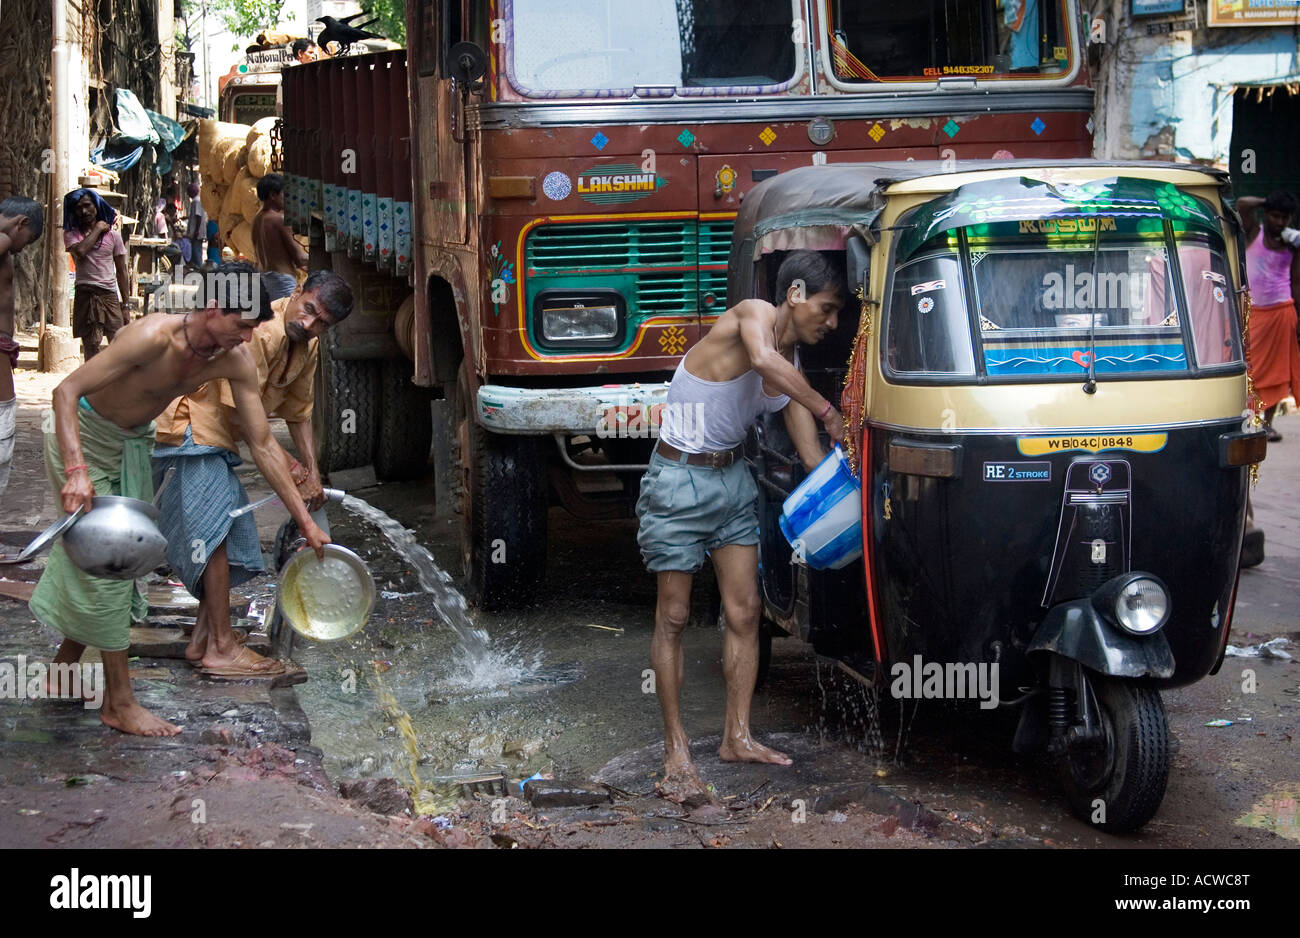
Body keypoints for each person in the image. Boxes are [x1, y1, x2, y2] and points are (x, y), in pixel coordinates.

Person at [28, 261, 330, 735]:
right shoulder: (151, 336)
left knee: (114, 565)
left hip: (132, 444)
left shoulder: (234, 359)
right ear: (213, 308)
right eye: (243, 325)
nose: (248, 338)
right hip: (83, 440)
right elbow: (66, 391)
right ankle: (120, 704)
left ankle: (61, 674)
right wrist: (76, 471)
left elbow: (264, 444)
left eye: (254, 328)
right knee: (112, 565)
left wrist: (307, 522)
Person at [636, 250, 846, 804]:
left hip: (730, 479)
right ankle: (676, 748)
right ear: (795, 294)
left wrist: (844, 486)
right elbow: (765, 362)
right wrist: (829, 409)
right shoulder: (753, 315)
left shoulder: (790, 366)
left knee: (746, 612)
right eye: (826, 308)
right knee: (675, 616)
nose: (832, 323)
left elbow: (811, 457)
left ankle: (738, 737)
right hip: (678, 478)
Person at [154, 269, 352, 675]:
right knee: (214, 541)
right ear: (298, 292)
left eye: (321, 324)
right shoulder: (257, 334)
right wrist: (302, 511)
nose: (309, 323)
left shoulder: (305, 345)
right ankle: (222, 648)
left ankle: (202, 640)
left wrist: (311, 469)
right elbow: (254, 434)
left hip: (220, 441)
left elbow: (299, 414)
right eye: (309, 309)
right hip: (194, 432)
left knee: (231, 536)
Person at [1238, 191, 1300, 441]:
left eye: (1284, 217)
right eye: (1275, 216)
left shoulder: (1293, 243)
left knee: (1277, 374)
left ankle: (1266, 423)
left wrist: (1298, 315)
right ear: (1267, 215)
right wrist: (1270, 201)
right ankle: (1246, 418)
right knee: (1250, 369)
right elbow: (1243, 204)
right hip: (1253, 312)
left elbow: (1296, 281)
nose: (1279, 222)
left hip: (1282, 311)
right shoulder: (1255, 232)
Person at [0, 196, 45, 499]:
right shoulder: (3, 238)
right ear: (21, 223)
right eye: (26, 242)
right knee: (2, 428)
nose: (21, 248)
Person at [63, 188, 130, 361]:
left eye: (87, 206)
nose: (83, 211)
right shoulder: (72, 234)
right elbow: (81, 251)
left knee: (119, 345)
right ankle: (92, 387)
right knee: (91, 346)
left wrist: (126, 305)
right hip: (85, 294)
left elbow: (122, 271)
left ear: (96, 206)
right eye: (78, 208)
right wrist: (99, 228)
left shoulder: (114, 236)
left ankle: (117, 385)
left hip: (109, 295)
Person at [252, 174, 308, 300]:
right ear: (273, 195)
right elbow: (299, 258)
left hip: (264, 278)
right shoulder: (279, 220)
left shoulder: (257, 219)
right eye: (284, 194)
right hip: (282, 281)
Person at [185, 182, 206, 269]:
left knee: (196, 253)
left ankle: (199, 270)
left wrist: (196, 231)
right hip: (197, 232)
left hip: (196, 233)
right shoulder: (198, 200)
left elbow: (198, 217)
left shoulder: (196, 202)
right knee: (196, 251)